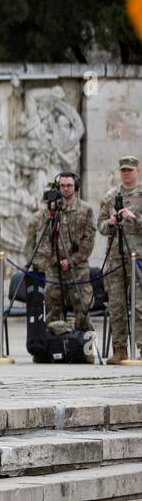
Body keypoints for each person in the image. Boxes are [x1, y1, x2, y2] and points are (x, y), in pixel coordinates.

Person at [24, 172, 95, 334]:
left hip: (78, 267)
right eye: (62, 186)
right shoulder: (48, 212)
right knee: (52, 306)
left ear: (75, 187)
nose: (65, 189)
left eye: (69, 185)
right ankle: (54, 344)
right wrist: (53, 260)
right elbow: (42, 240)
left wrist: (72, 260)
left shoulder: (86, 210)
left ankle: (84, 346)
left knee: (82, 307)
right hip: (54, 267)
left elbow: (89, 241)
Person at [98, 156, 142, 364]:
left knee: (140, 304)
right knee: (116, 305)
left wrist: (134, 217)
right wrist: (112, 221)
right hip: (116, 259)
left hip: (138, 258)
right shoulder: (110, 197)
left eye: (130, 170)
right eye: (123, 170)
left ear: (137, 172)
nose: (126, 173)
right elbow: (100, 226)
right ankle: (120, 349)